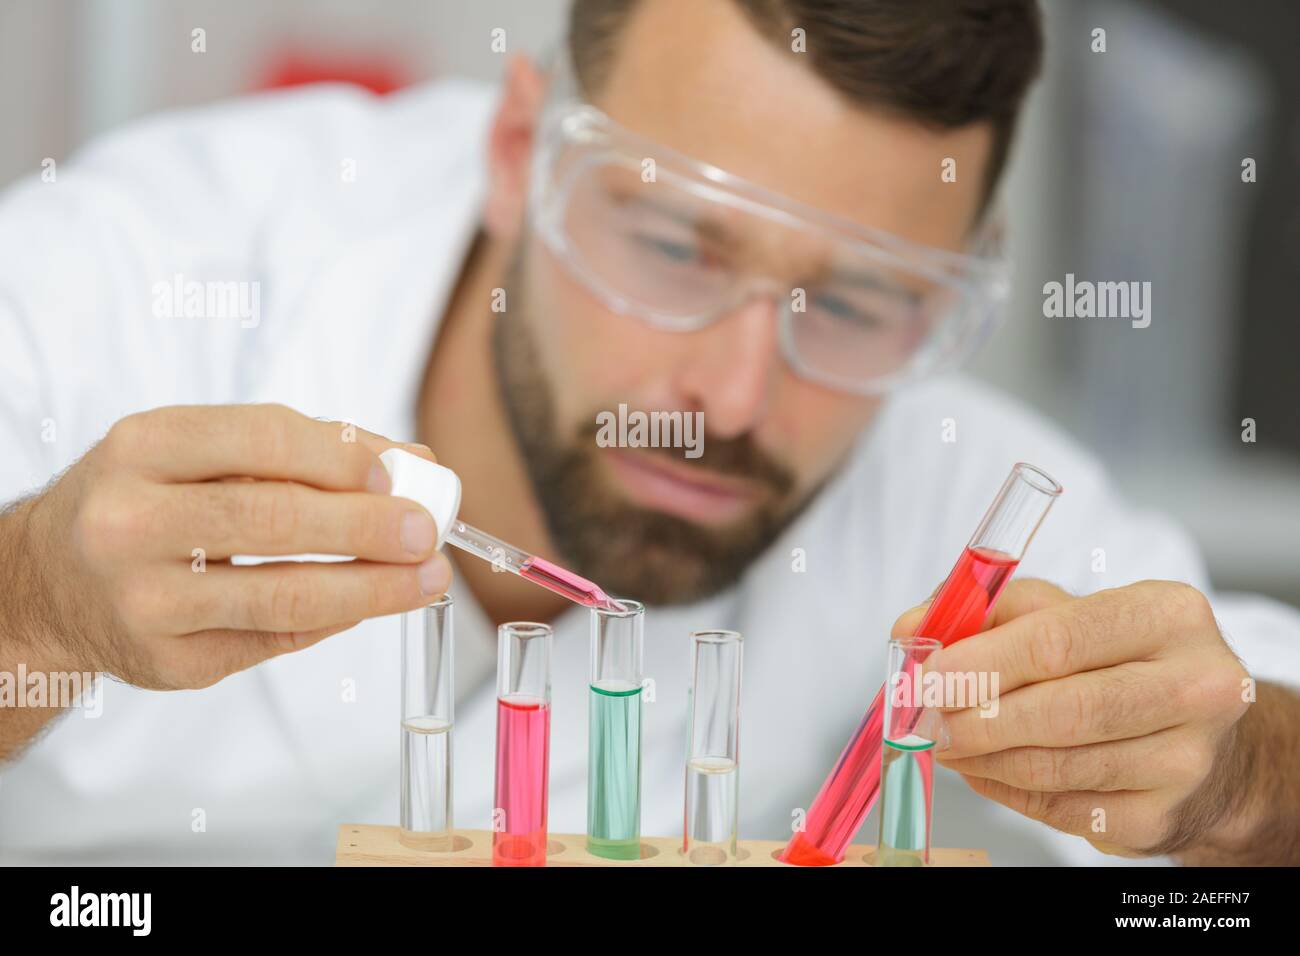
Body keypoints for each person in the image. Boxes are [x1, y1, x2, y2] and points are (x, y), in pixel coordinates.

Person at [1, 0, 1297, 866]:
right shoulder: (111, 289)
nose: (735, 400)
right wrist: (33, 607)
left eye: (855, 298)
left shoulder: (937, 478)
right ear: (518, 151)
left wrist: (1239, 772)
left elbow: (1252, 710)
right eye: (677, 246)